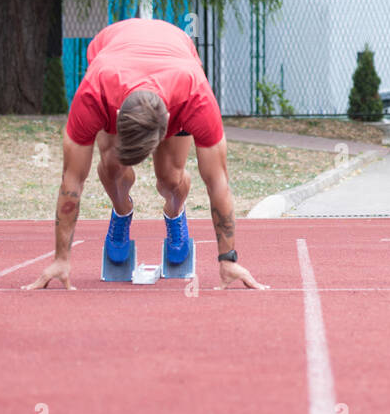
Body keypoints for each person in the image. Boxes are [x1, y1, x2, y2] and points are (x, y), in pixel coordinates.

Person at [25, 17, 266, 290]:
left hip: (176, 64)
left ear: (169, 126)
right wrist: (61, 257)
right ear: (115, 117)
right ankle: (121, 211)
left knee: (169, 178)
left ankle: (175, 214)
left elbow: (217, 181)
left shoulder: (194, 96)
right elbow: (72, 179)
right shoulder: (95, 92)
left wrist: (228, 258)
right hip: (113, 56)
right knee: (113, 166)